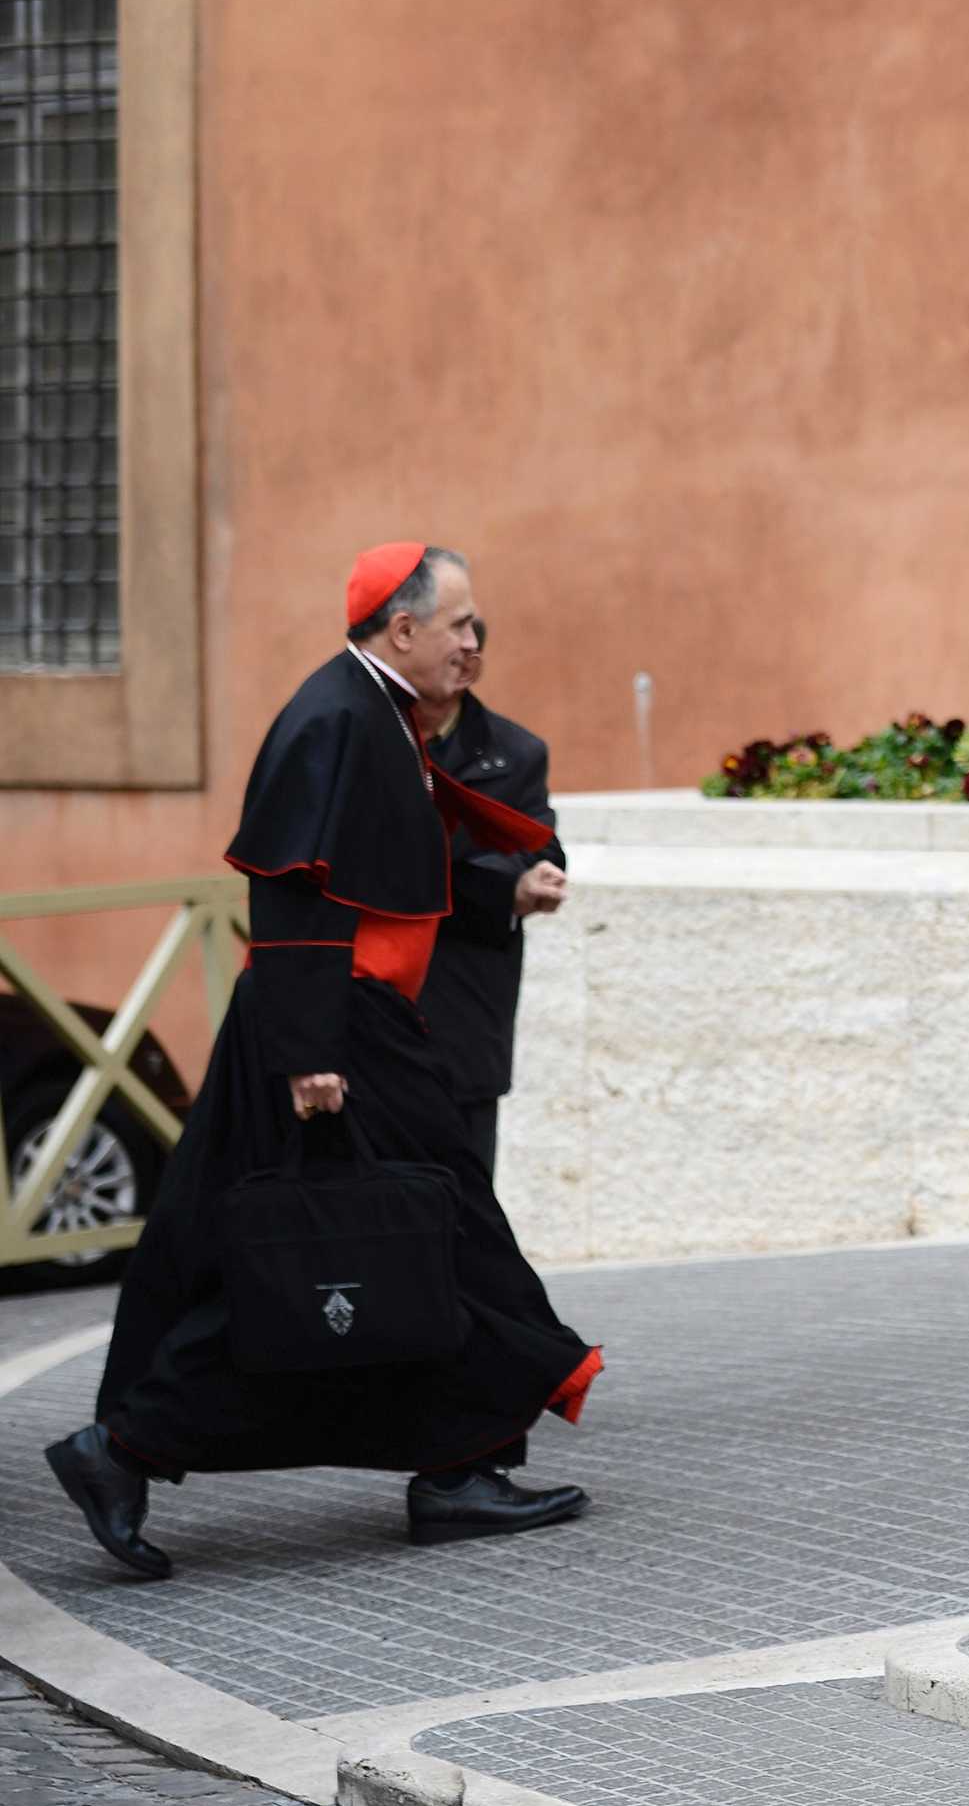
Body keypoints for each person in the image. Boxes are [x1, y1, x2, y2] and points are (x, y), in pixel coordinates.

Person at [44, 544, 605, 1580]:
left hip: (349, 1020)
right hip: (338, 1028)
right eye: (458, 625)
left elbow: (399, 871)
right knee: (400, 1238)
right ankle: (129, 1450)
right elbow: (295, 888)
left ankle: (453, 1466)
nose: (472, 641)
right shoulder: (339, 714)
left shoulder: (372, 711)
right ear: (401, 631)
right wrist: (313, 1053)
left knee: (387, 1243)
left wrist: (503, 893)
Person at [416, 616, 568, 1180]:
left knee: (465, 1195)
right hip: (374, 1005)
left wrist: (526, 883)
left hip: (466, 1007)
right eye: (450, 647)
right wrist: (504, 885)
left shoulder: (515, 751)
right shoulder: (369, 737)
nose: (462, 658)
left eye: (470, 651)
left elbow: (540, 844)